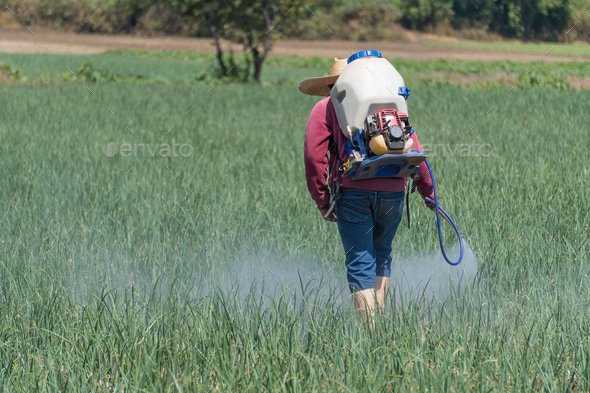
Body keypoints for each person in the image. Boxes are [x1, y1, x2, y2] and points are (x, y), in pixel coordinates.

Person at [299, 57, 436, 321]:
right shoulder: (390, 106)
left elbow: (314, 158)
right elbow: (414, 149)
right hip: (394, 191)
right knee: (382, 256)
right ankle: (380, 325)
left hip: (353, 192)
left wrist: (322, 200)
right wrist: (429, 194)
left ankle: (371, 337)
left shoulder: (325, 106)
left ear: (333, 85)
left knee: (361, 261)